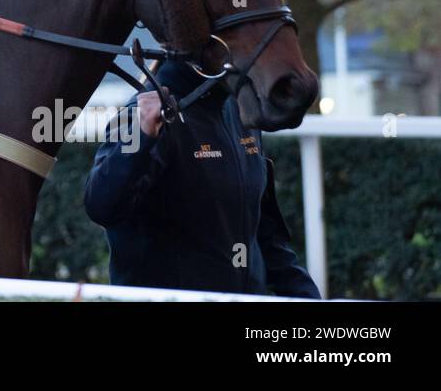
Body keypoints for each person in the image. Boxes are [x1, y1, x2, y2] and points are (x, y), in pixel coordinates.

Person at [84, 59, 320, 298]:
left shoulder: (240, 108)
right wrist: (143, 136)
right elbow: (102, 206)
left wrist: (306, 295)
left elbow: (265, 234)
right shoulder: (144, 110)